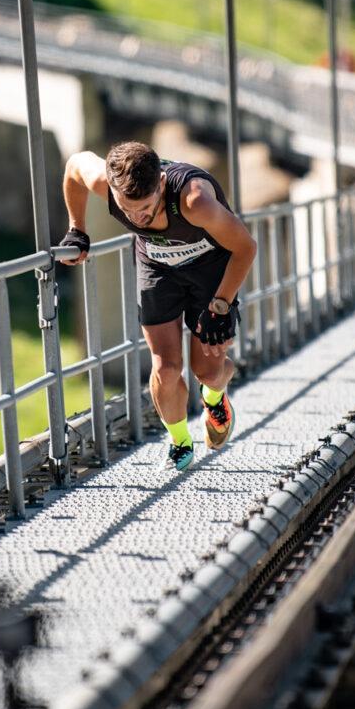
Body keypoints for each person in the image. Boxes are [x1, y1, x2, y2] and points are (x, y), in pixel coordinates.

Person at [60, 142, 256, 472]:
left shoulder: (194, 201)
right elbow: (74, 168)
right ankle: (180, 441)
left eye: (147, 209)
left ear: (161, 184)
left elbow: (245, 248)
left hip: (209, 270)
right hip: (157, 266)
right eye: (128, 209)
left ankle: (215, 396)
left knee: (206, 370)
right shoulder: (106, 185)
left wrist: (221, 305)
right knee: (165, 368)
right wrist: (77, 229)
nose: (138, 217)